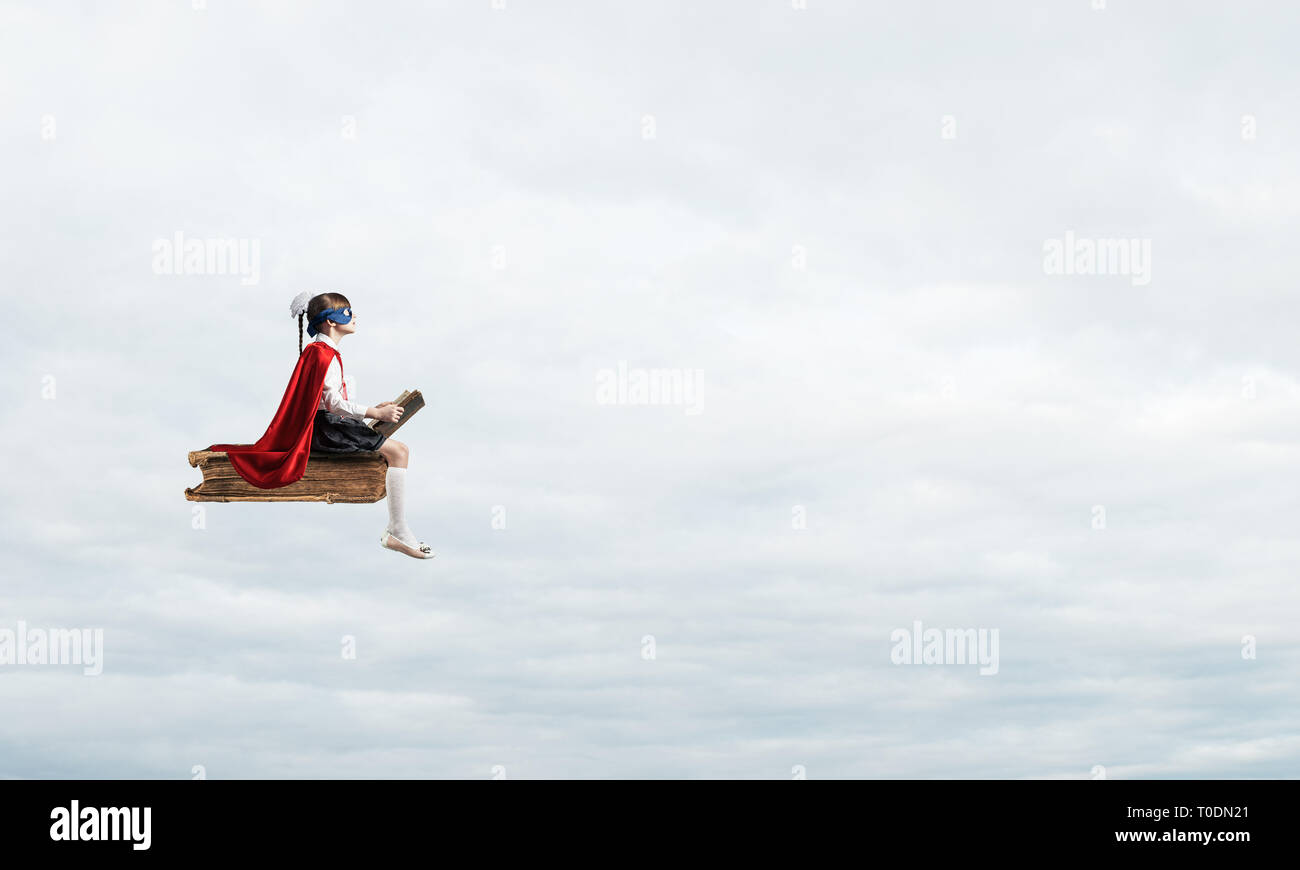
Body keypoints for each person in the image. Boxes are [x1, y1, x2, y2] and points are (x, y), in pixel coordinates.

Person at [208, 291, 434, 560]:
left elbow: (327, 401)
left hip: (329, 424)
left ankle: (397, 529)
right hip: (326, 429)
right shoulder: (321, 353)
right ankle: (397, 530)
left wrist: (373, 411)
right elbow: (333, 404)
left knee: (397, 451)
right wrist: (375, 412)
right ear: (331, 322)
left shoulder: (321, 352)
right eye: (347, 313)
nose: (353, 317)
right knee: (400, 452)